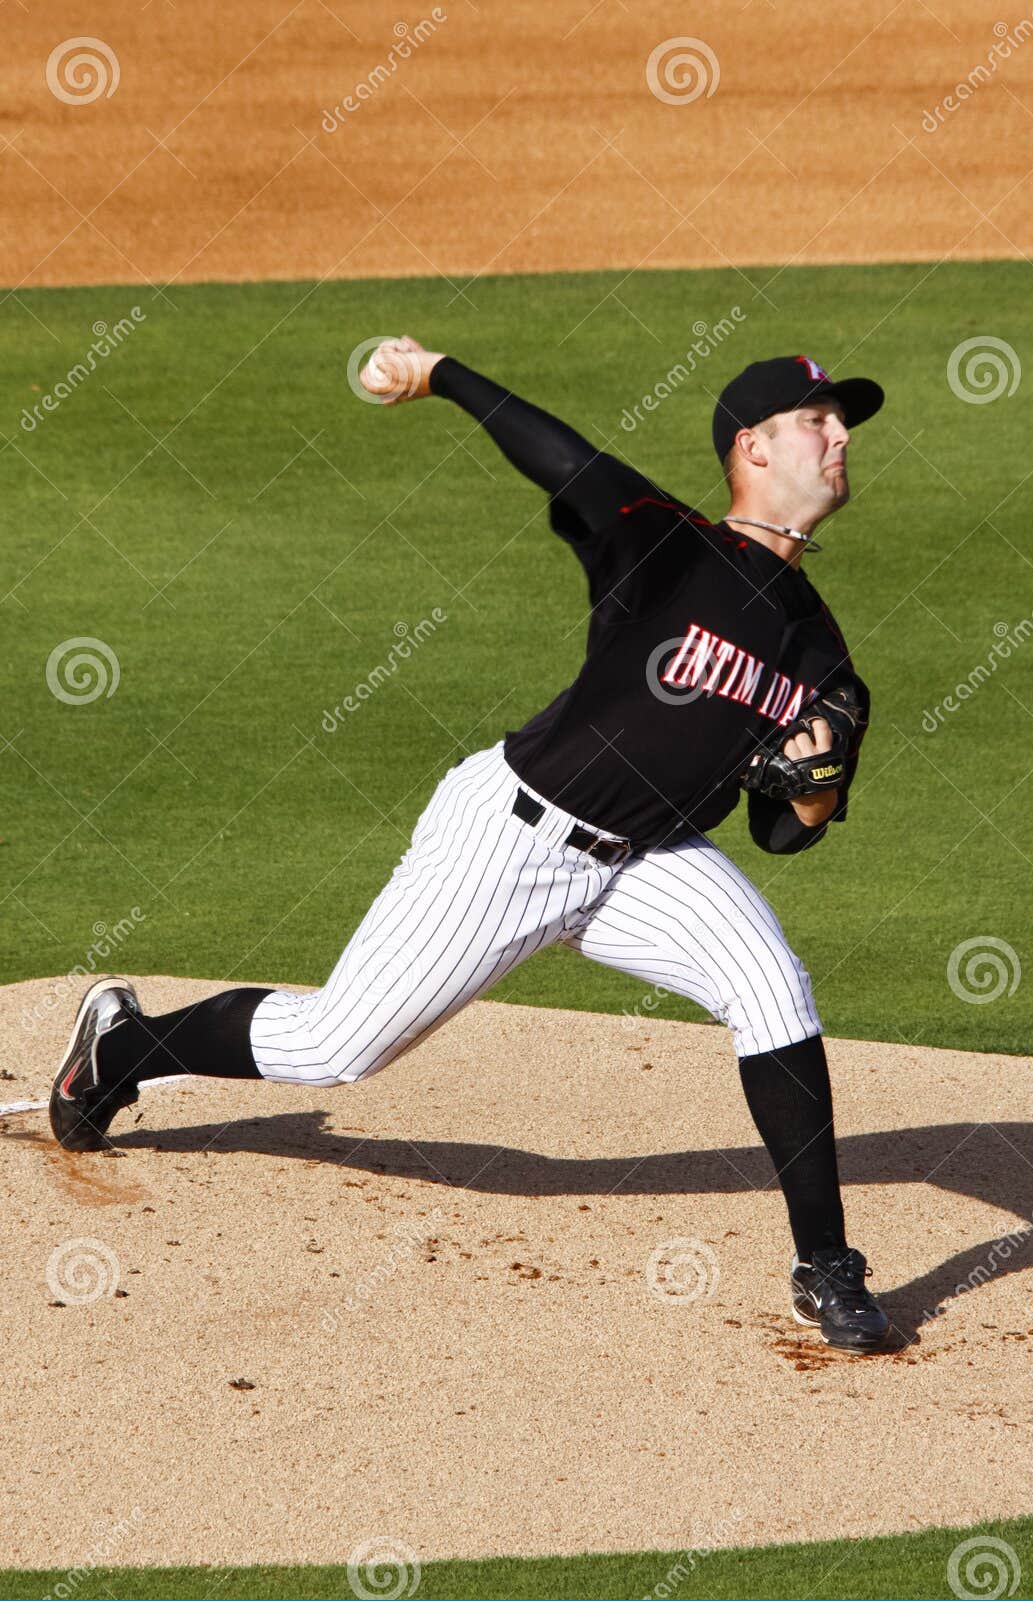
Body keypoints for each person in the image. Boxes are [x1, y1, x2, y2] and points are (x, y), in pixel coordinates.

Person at [50, 340, 890, 1352]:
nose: (839, 435)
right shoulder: (668, 545)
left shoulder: (824, 656)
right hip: (511, 833)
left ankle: (825, 1264)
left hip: (647, 858)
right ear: (752, 446)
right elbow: (565, 460)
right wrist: (442, 373)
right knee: (335, 1047)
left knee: (771, 986)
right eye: (817, 419)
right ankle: (121, 1048)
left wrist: (819, 781)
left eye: (840, 421)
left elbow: (777, 829)